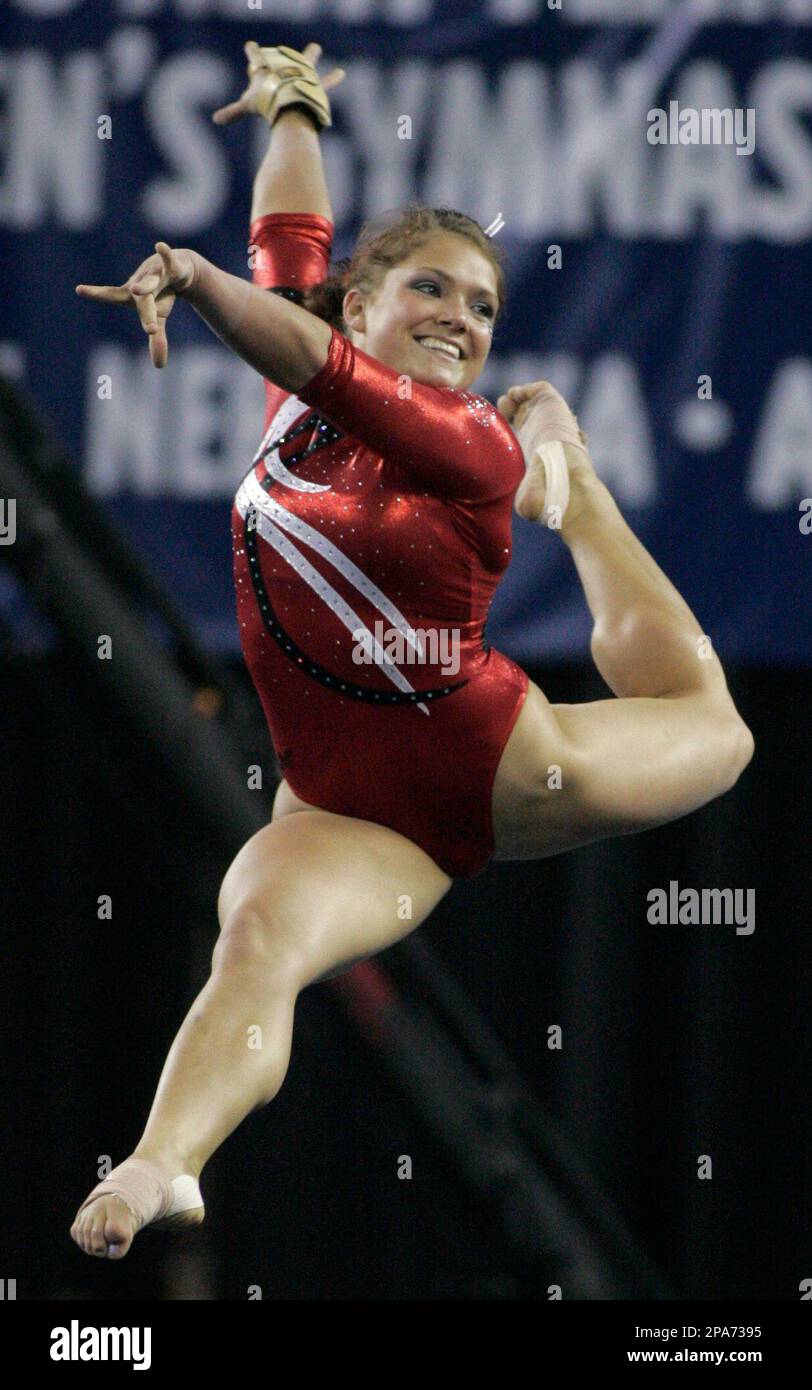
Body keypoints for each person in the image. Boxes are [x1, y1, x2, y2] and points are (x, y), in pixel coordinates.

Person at [70, 42, 754, 1260]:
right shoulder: (307, 406)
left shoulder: (460, 443)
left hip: (497, 762)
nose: (460, 320)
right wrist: (292, 98)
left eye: (483, 305)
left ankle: (575, 478)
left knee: (716, 722)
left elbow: (300, 341)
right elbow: (291, 235)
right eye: (430, 291)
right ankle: (162, 1161)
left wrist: (192, 274)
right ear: (362, 298)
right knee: (255, 942)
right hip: (342, 808)